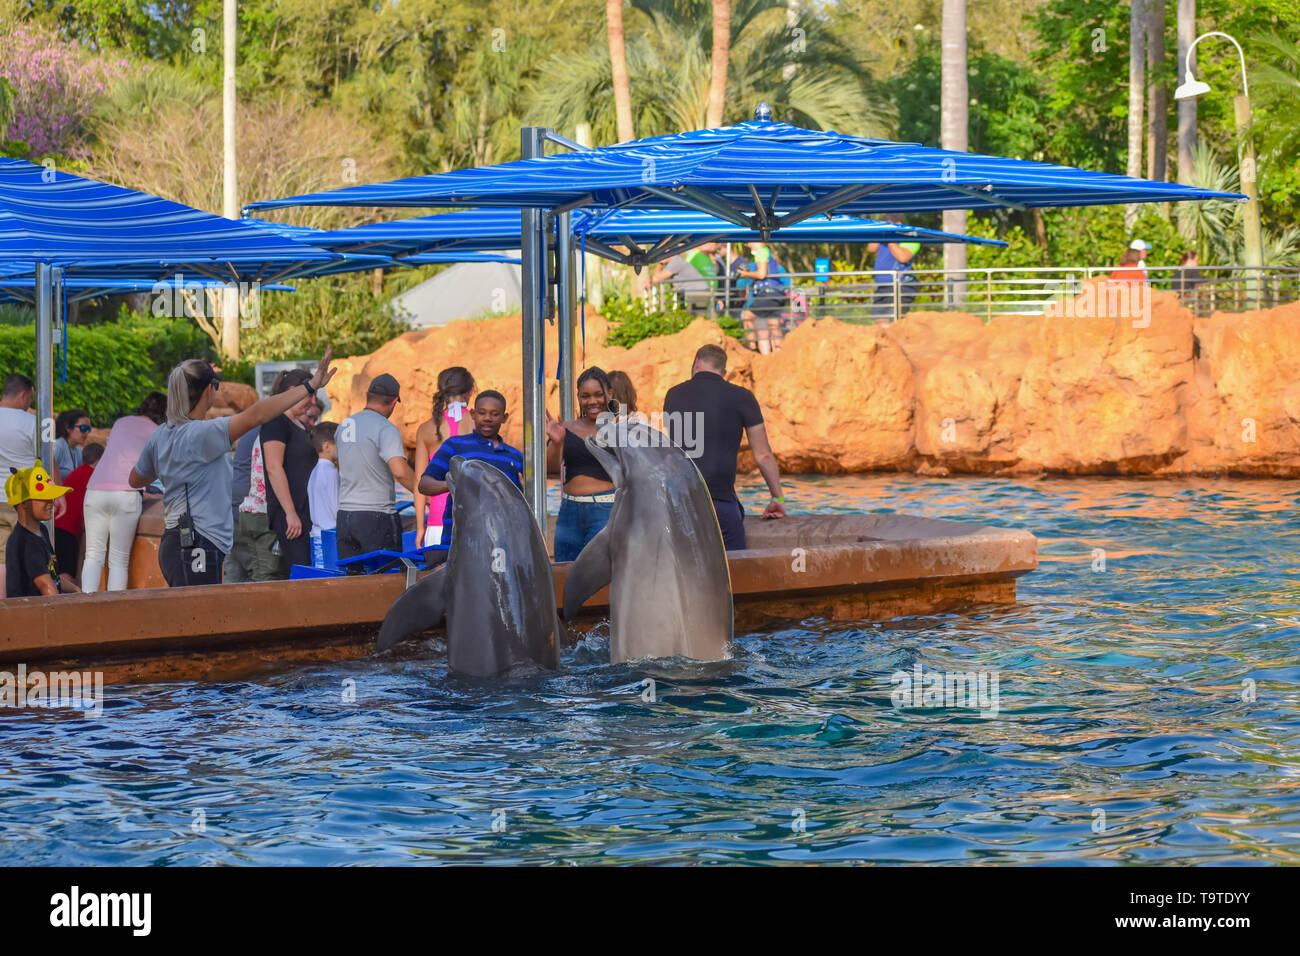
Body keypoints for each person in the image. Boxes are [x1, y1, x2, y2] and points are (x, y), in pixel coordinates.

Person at [129, 351, 337, 588]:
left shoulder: (161, 435)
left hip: (177, 542)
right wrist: (310, 386)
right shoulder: (203, 433)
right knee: (199, 619)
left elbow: (136, 478)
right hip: (197, 544)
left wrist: (174, 464)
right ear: (209, 390)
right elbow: (257, 415)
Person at [663, 344, 786, 551]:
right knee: (735, 574)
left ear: (696, 363)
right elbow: (763, 455)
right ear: (724, 373)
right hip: (720, 503)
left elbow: (672, 448)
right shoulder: (742, 397)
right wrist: (777, 497)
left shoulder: (673, 395)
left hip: (681, 503)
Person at [419, 390, 523, 554]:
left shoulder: (515, 456)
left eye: (495, 414)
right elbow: (424, 485)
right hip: (460, 542)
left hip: (503, 545)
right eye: (482, 413)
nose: (487, 418)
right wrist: (454, 483)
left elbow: (522, 501)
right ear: (473, 414)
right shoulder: (455, 445)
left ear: (505, 417)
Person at [82, 392, 165, 592]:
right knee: (118, 560)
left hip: (94, 490)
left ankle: (84, 608)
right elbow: (158, 468)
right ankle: (115, 614)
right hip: (127, 492)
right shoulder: (159, 431)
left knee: (92, 555)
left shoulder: (121, 422)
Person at [335, 373, 417, 568]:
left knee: (354, 583)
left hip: (345, 516)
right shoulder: (385, 428)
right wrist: (425, 495)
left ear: (367, 395)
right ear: (395, 401)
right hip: (376, 516)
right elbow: (400, 471)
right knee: (384, 581)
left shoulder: (344, 425)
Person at [545, 367, 618, 562]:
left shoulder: (621, 429)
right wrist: (557, 441)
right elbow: (551, 470)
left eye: (598, 394)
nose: (592, 401)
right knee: (564, 573)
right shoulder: (566, 427)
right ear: (578, 397)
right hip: (569, 511)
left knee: (598, 577)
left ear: (609, 394)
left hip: (606, 511)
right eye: (585, 396)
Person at [261, 368, 319, 571]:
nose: (313, 402)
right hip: (290, 513)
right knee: (302, 568)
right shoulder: (276, 422)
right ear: (295, 391)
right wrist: (290, 513)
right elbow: (274, 467)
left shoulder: (300, 425)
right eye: (310, 395)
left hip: (305, 511)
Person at [414, 366, 475, 547]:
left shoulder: (426, 429)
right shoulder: (480, 424)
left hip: (437, 522)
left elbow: (420, 480)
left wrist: (420, 528)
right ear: (471, 391)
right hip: (475, 520)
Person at [5, 459, 80, 598]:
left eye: (51, 497)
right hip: (30, 615)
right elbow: (46, 586)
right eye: (43, 498)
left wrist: (76, 590)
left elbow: (53, 577)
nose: (51, 503)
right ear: (24, 503)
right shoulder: (26, 542)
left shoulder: (42, 531)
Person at [0, 373, 38, 565]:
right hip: (20, 500)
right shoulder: (31, 422)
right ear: (23, 395)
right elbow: (47, 459)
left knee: (1, 558)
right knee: (23, 557)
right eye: (30, 399)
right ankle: (17, 596)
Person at [53, 441, 102, 579]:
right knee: (66, 573)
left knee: (56, 571)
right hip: (67, 531)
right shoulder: (94, 477)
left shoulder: (77, 472)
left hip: (57, 527)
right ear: (99, 463)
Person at [736, 242, 787, 352]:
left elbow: (761, 274)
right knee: (773, 325)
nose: (748, 245)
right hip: (777, 294)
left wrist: (744, 274)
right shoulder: (769, 253)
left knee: (747, 316)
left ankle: (751, 348)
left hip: (768, 294)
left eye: (750, 242)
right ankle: (777, 354)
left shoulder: (762, 251)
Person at [868, 219, 920, 322]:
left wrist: (891, 239)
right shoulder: (882, 239)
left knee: (894, 320)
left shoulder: (911, 237)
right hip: (882, 286)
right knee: (879, 320)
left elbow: (903, 257)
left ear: (899, 223)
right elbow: (871, 248)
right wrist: (880, 232)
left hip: (901, 285)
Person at [308, 421, 339, 564]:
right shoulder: (330, 472)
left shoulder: (315, 470)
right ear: (327, 446)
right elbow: (336, 508)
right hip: (329, 537)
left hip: (316, 535)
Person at [52, 409, 92, 480]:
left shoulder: (78, 451)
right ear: (68, 428)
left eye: (88, 429)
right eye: (83, 428)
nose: (86, 432)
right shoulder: (57, 447)